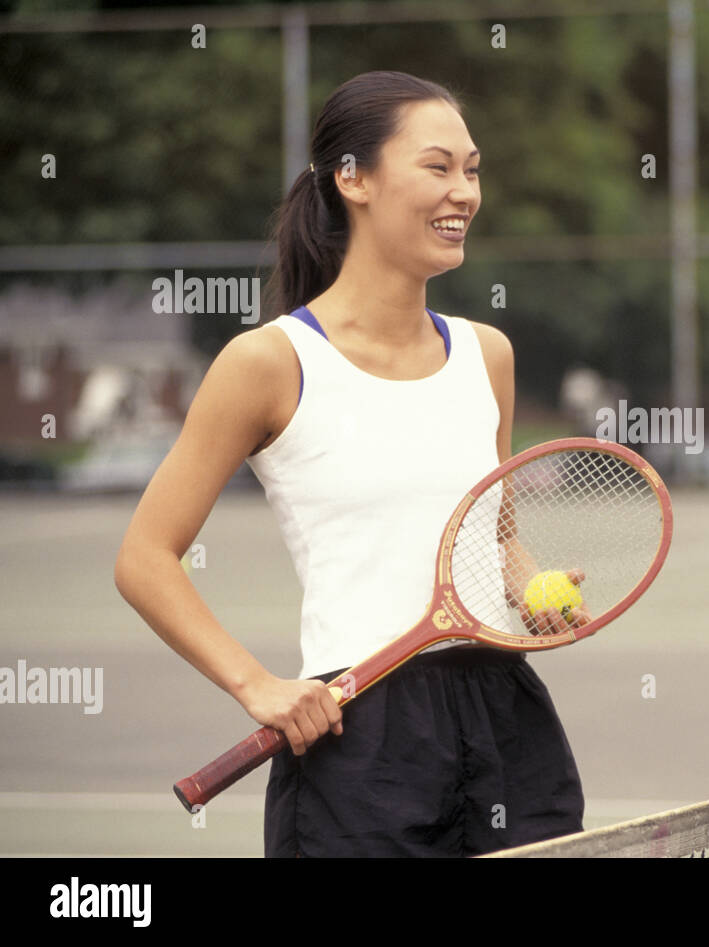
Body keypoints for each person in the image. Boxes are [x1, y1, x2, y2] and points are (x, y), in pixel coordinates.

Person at [114, 71, 584, 856]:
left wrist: (532, 589)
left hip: (509, 721)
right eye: (437, 167)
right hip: (361, 737)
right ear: (353, 178)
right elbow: (142, 558)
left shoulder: (487, 353)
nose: (464, 191)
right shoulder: (268, 361)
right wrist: (256, 685)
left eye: (473, 169)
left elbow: (496, 536)